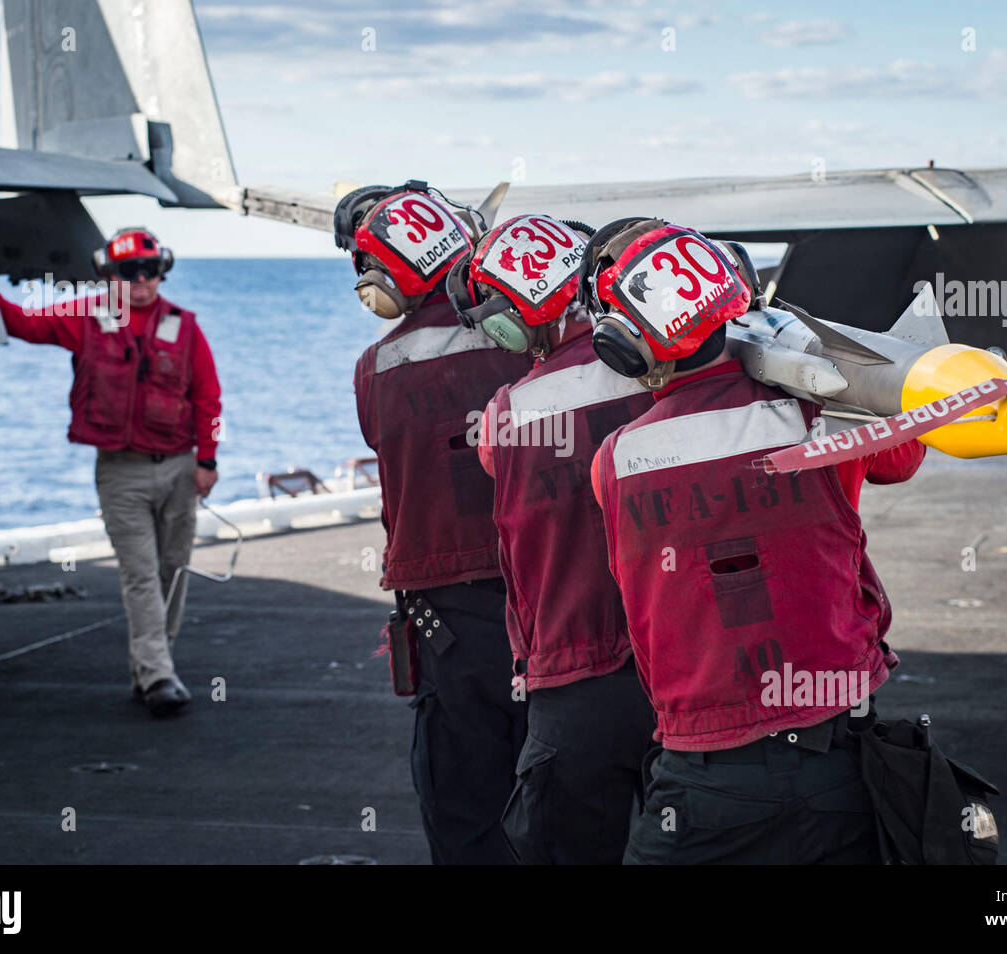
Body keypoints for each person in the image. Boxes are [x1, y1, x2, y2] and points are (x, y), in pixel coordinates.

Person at [581, 217, 920, 864]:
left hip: (702, 770)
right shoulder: (815, 414)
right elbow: (900, 459)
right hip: (839, 756)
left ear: (628, 344)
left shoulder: (615, 462)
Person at [445, 213, 658, 864]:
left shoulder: (510, 409)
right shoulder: (665, 365)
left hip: (576, 676)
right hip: (682, 666)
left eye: (497, 308)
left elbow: (488, 458)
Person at [337, 181, 531, 865]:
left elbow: (379, 438)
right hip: (553, 597)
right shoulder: (532, 343)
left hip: (448, 616)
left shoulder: (377, 369)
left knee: (466, 809)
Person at [0, 229, 220, 718]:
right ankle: (160, 674)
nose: (140, 280)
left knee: (173, 573)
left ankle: (150, 667)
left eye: (148, 270)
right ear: (108, 273)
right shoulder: (85, 317)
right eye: (128, 271)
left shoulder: (185, 328)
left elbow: (209, 397)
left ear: (161, 271)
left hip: (181, 470)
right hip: (121, 473)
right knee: (141, 574)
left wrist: (207, 459)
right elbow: (20, 322)